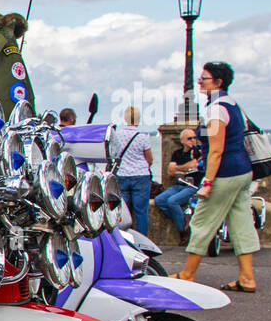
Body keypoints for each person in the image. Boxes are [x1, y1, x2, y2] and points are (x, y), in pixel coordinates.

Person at [173, 62, 260, 292]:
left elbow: (216, 149)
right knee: (241, 223)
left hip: (225, 174)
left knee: (201, 221)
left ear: (218, 82)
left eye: (205, 78)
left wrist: (208, 182)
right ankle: (247, 278)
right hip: (243, 172)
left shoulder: (217, 109)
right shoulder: (232, 104)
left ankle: (187, 274)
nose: (200, 82)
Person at [109, 106, 155, 236]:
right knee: (141, 212)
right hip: (140, 176)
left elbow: (114, 155)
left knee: (123, 211)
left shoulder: (117, 136)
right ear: (139, 119)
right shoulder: (142, 137)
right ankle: (141, 242)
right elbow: (149, 159)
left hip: (122, 175)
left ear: (125, 118)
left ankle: (123, 238)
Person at [154, 127, 203, 243]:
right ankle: (181, 219)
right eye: (189, 138)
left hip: (193, 186)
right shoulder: (177, 153)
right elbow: (170, 172)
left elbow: (195, 164)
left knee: (172, 201)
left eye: (194, 138)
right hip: (179, 185)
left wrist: (178, 168)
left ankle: (183, 231)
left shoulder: (199, 152)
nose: (193, 140)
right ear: (182, 140)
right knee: (159, 200)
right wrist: (185, 167)